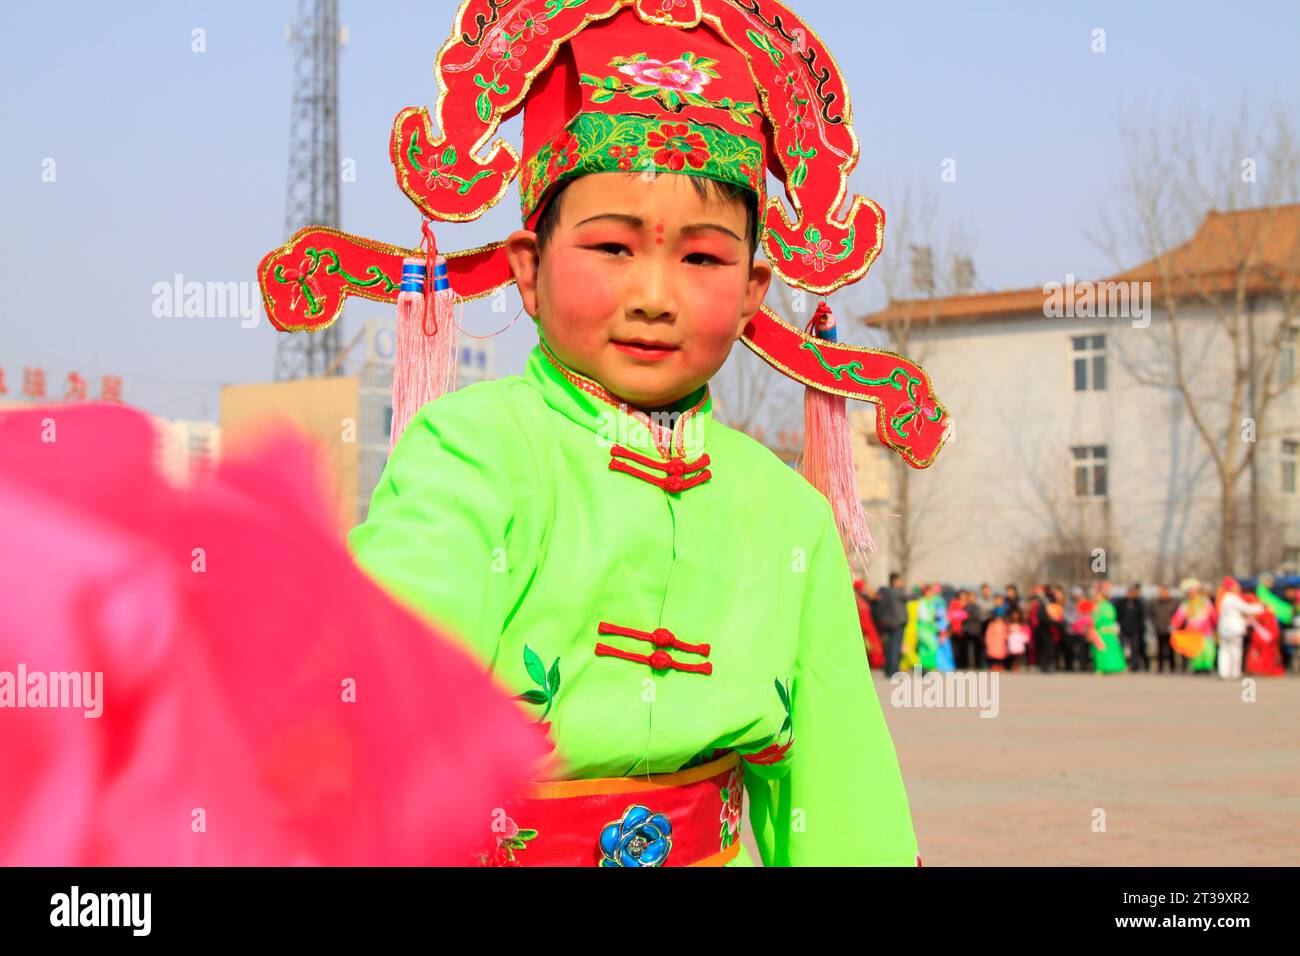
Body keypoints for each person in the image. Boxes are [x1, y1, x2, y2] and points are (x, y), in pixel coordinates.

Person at [264, 1, 946, 867]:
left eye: (701, 258)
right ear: (527, 268)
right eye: (613, 248)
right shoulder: (476, 451)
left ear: (753, 291)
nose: (655, 295)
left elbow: (838, 787)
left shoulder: (788, 514)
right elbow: (382, 682)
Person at [1215, 577, 1261, 680]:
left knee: (1224, 651)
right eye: (1237, 586)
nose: (1239, 588)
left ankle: (1224, 673)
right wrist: (1261, 607)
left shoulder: (1223, 598)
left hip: (1224, 628)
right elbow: (1246, 608)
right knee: (1235, 650)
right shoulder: (1232, 598)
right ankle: (1235, 672)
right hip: (1234, 628)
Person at [1170, 579, 1217, 674]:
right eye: (1189, 592)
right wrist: (1173, 626)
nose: (1191, 593)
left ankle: (1207, 666)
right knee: (1196, 651)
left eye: (1193, 591)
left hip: (1206, 631)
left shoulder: (1205, 602)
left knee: (1208, 649)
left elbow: (1213, 614)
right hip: (1193, 631)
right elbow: (1179, 616)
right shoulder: (1186, 604)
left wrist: (1216, 623)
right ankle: (1198, 667)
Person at [876, 572, 910, 678]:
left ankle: (888, 670)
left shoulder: (885, 593)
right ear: (894, 581)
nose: (900, 583)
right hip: (897, 624)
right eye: (899, 580)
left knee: (890, 648)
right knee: (895, 648)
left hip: (888, 624)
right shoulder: (897, 592)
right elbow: (911, 596)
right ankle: (894, 671)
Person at [1090, 585, 1127, 674]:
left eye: (1097, 595)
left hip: (1103, 631)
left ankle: (1107, 667)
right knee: (1107, 649)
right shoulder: (1105, 606)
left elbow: (1099, 619)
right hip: (1106, 631)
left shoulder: (1102, 607)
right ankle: (1108, 666)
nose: (1096, 597)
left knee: (1106, 649)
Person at [1148, 585, 1180, 674]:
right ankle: (1160, 667)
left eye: (1164, 592)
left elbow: (1177, 614)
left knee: (1171, 649)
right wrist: (1156, 624)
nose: (1162, 594)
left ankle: (1172, 666)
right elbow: (1151, 615)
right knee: (1160, 649)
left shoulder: (1173, 602)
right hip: (1159, 628)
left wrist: (1174, 625)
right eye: (1161, 592)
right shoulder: (1155, 603)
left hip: (1171, 628)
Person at [1116, 583, 1148, 672]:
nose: (1131, 594)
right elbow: (1118, 614)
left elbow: (1142, 616)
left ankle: (1135, 666)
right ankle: (1122, 665)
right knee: (1121, 648)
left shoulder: (1139, 603)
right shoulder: (1121, 602)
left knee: (1135, 649)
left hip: (1135, 630)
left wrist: (1139, 628)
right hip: (1123, 629)